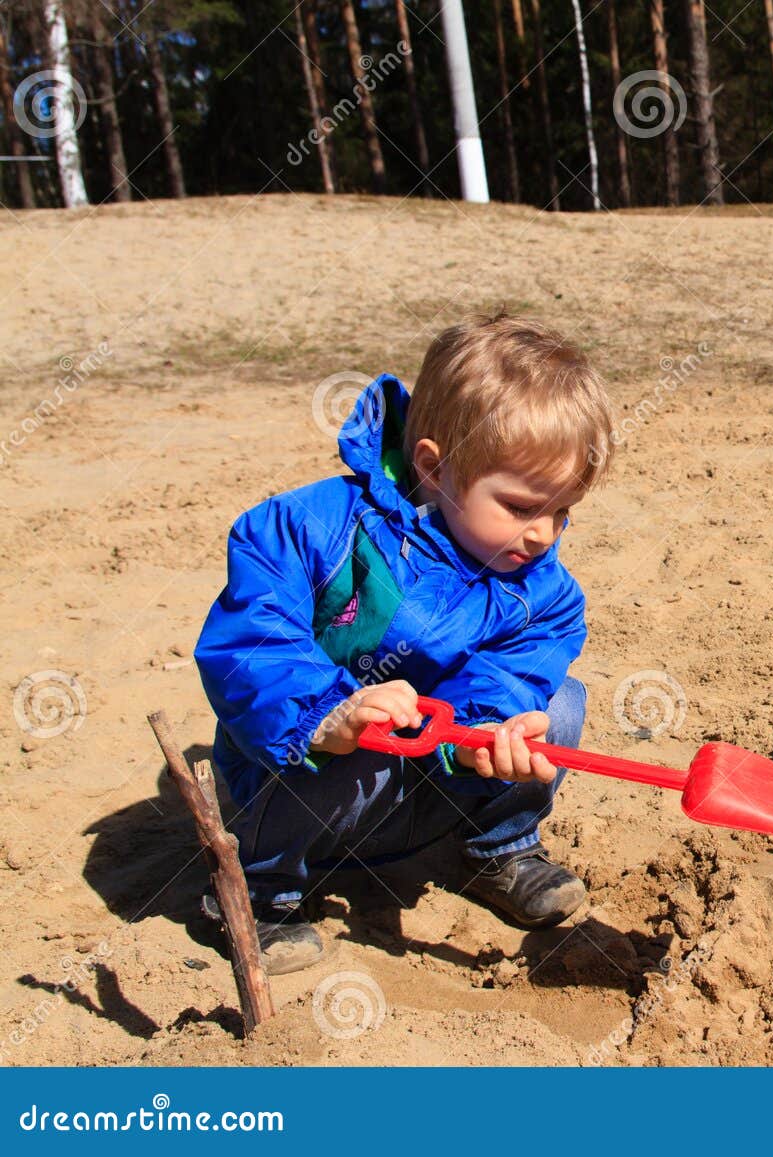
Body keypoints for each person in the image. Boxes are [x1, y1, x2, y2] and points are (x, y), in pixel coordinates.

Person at [193, 313, 614, 975]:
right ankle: (259, 889)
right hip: (304, 785)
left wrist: (488, 730)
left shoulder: (543, 590)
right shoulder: (308, 528)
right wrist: (327, 715)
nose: (543, 534)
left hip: (422, 787)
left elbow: (517, 668)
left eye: (562, 511)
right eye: (522, 506)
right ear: (435, 467)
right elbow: (250, 644)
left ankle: (497, 848)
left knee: (559, 706)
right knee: (374, 732)